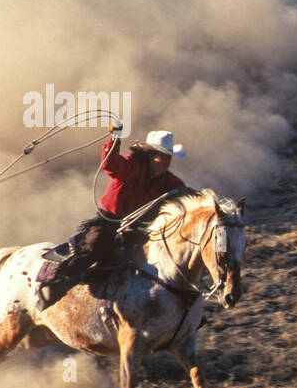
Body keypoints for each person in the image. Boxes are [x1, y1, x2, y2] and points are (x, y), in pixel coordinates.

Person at [39, 129, 187, 307]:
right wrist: (115, 140)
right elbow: (110, 163)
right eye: (161, 156)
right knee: (93, 248)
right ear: (150, 155)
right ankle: (56, 285)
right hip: (109, 220)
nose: (166, 162)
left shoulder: (169, 182)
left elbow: (185, 194)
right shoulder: (131, 166)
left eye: (168, 157)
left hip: (137, 226)